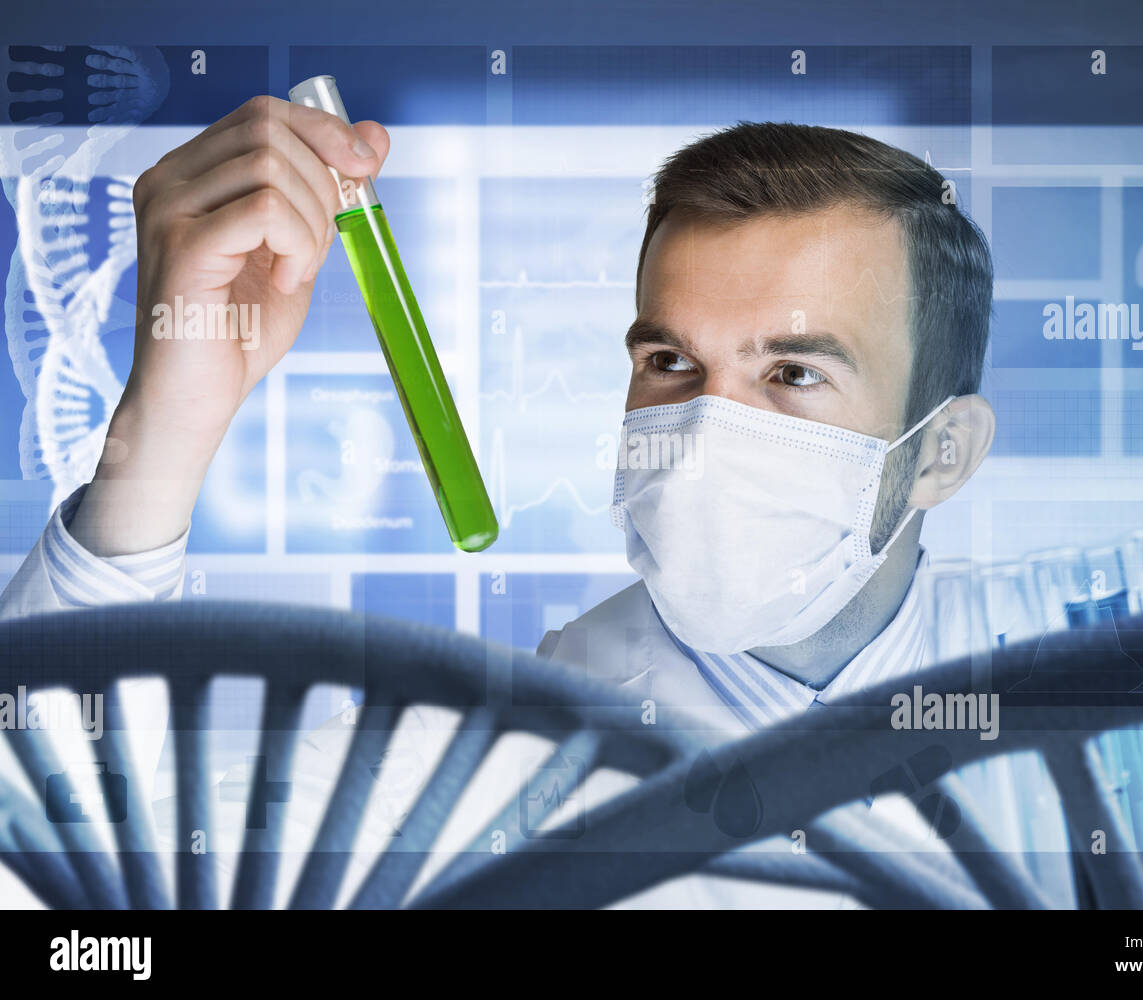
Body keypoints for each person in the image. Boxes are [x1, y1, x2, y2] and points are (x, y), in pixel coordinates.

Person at [0, 97, 997, 908]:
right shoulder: (483, 761)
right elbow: (51, 882)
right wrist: (166, 427)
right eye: (669, 361)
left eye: (790, 372)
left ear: (940, 454)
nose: (705, 433)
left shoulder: (1084, 696)